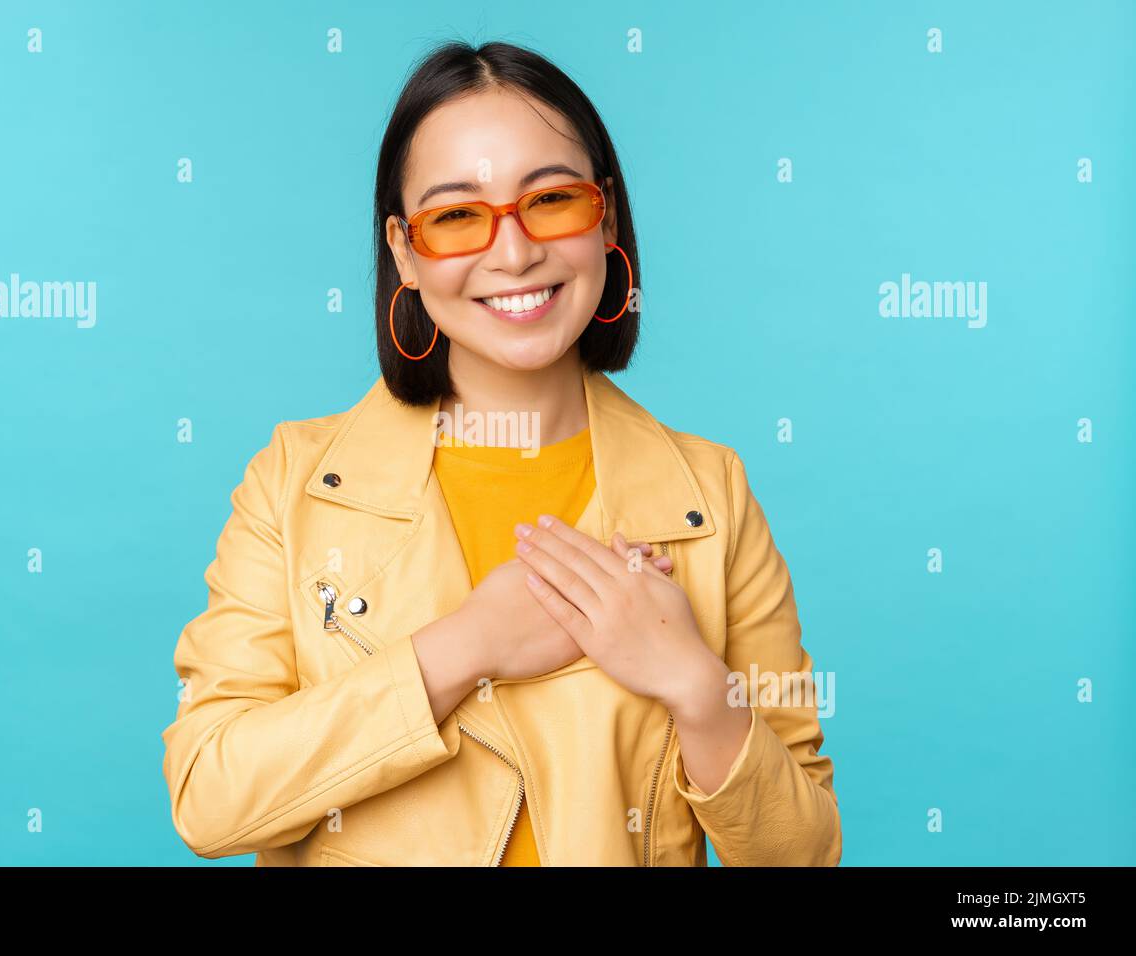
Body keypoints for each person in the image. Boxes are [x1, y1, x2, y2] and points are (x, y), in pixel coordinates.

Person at [161, 40, 841, 867]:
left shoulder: (712, 494)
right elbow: (209, 797)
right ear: (405, 253)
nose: (514, 253)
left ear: (607, 217)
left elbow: (802, 852)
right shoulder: (294, 483)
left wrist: (697, 687)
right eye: (457, 216)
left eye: (551, 200)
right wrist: (468, 645)